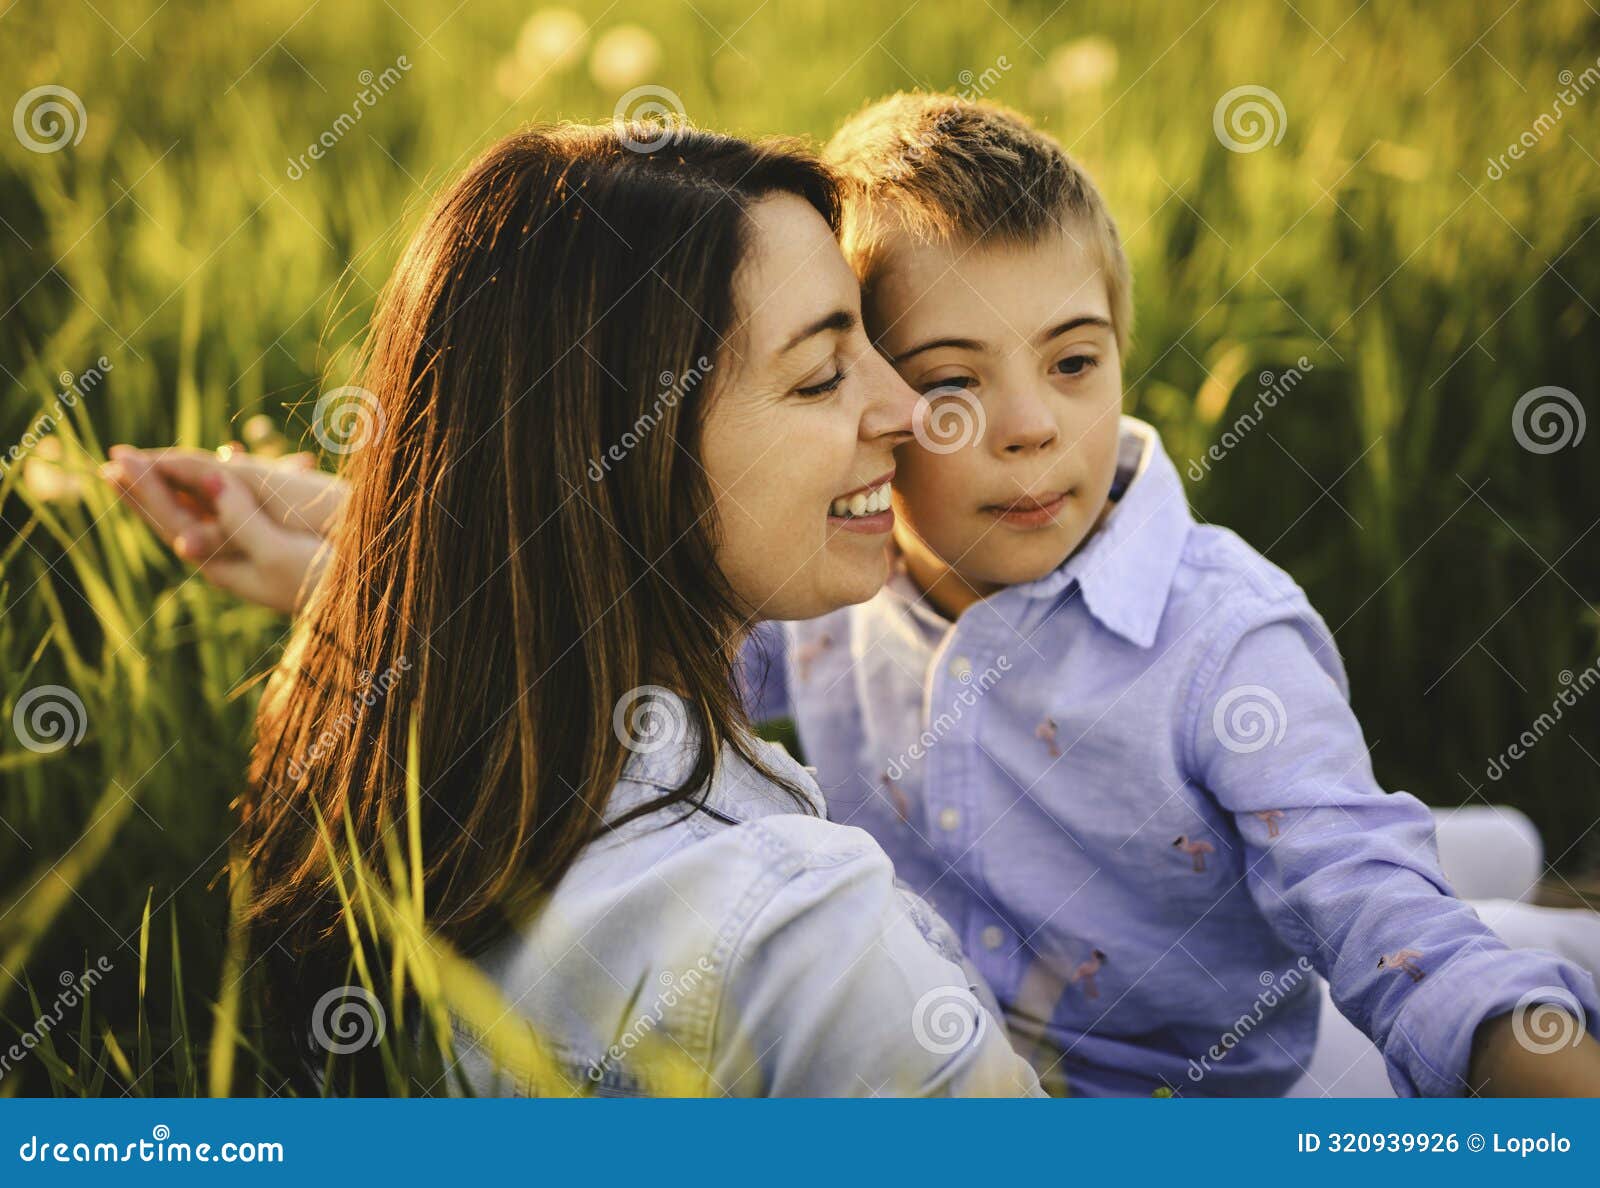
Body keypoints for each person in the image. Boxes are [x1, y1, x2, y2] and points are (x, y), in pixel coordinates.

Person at [102, 121, 1044, 1097]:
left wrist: (373, 550)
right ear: (629, 451)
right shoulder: (805, 936)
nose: (906, 408)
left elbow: (523, 566)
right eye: (818, 375)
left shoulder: (380, 758)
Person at [738, 92, 1600, 1097]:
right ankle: (1474, 857)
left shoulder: (1224, 641)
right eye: (950, 384)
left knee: (1388, 903)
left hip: (1234, 1092)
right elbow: (661, 669)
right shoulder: (835, 575)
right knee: (1340, 854)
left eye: (1071, 362)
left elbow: (1387, 935)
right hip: (975, 1071)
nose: (1030, 426)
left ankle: (1515, 917)